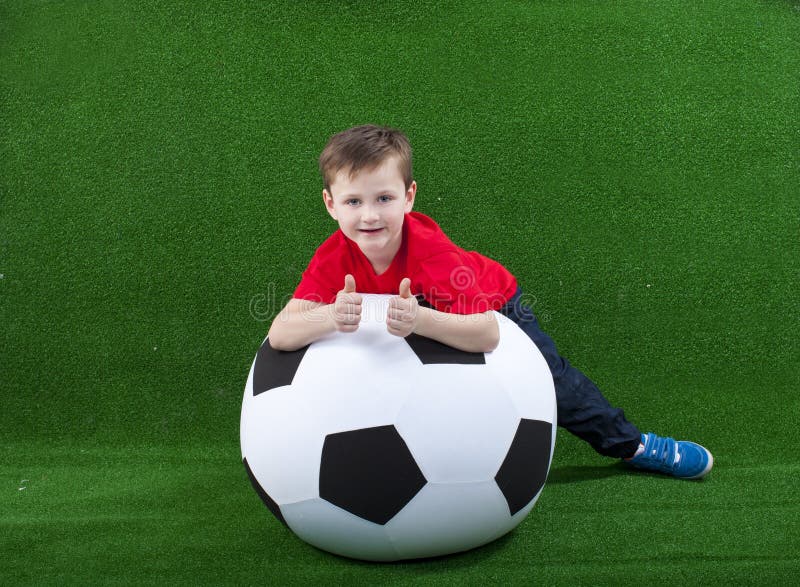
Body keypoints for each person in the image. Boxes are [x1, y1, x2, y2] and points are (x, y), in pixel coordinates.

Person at [268, 124, 714, 480]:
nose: (369, 215)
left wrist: (421, 318)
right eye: (353, 201)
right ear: (331, 205)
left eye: (384, 198)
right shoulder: (333, 257)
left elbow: (487, 333)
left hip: (492, 303)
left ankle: (631, 444)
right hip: (420, 314)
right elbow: (281, 333)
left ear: (409, 197)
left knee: (552, 381)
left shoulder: (432, 254)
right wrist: (327, 315)